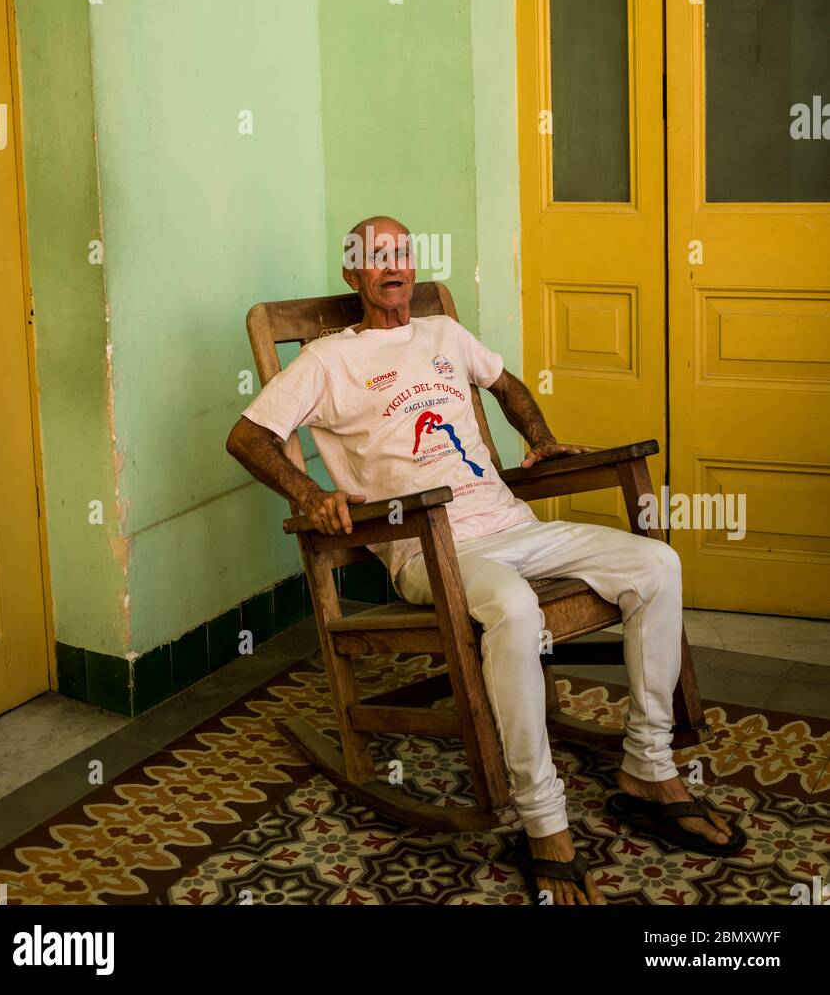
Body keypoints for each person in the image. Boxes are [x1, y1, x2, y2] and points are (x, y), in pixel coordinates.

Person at [226, 215, 744, 905]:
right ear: (352, 275)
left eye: (401, 253)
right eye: (375, 257)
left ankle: (647, 766)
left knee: (656, 565)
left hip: (509, 525)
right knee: (514, 605)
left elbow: (506, 386)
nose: (393, 266)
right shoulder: (327, 360)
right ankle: (542, 817)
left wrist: (540, 437)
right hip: (427, 547)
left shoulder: (443, 334)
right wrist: (308, 491)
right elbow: (247, 435)